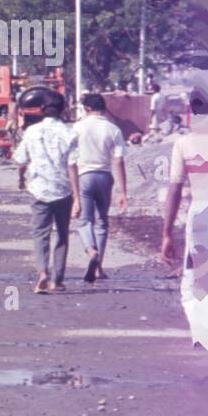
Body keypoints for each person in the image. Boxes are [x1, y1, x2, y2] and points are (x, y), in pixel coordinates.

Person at [159, 71, 208, 351]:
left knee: (196, 277)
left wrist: (167, 233)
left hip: (203, 213)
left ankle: (205, 334)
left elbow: (174, 190)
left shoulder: (185, 143)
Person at [13, 92, 81, 294]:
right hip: (63, 190)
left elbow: (20, 160)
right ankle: (56, 280)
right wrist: (77, 197)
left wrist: (21, 179)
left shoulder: (32, 131)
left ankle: (42, 271)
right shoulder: (70, 133)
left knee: (40, 233)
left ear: (42, 110)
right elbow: (72, 166)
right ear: (63, 111)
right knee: (62, 234)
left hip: (39, 189)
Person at [73, 93, 128, 282]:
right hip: (105, 177)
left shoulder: (77, 128)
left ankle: (91, 251)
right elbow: (119, 160)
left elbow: (70, 160)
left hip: (84, 176)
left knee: (84, 221)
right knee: (102, 222)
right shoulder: (113, 129)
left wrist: (71, 192)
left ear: (87, 108)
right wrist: (123, 192)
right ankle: (98, 269)